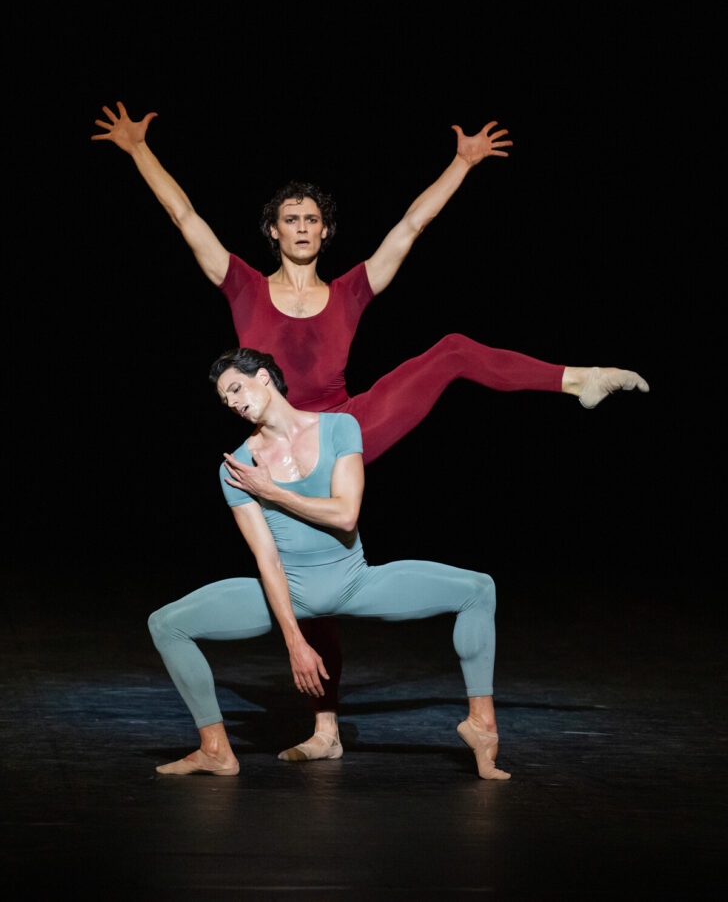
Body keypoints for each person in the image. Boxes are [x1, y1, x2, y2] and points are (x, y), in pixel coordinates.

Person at [93, 102, 649, 758]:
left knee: (450, 350)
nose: (302, 226)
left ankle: (573, 379)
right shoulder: (242, 285)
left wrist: (462, 163)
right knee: (315, 585)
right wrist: (136, 150)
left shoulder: (353, 289)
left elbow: (411, 225)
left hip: (345, 428)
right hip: (282, 447)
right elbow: (187, 218)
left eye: (312, 219)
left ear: (325, 232)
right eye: (291, 218)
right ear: (273, 230)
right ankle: (325, 731)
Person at [148, 347, 510, 781]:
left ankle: (481, 724)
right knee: (166, 624)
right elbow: (268, 561)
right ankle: (215, 749)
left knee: (477, 589)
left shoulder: (340, 427)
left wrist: (275, 492)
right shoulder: (238, 467)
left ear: (264, 377)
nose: (233, 403)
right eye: (226, 400)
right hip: (289, 592)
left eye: (236, 388)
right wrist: (295, 642)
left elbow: (345, 514)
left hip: (355, 581)